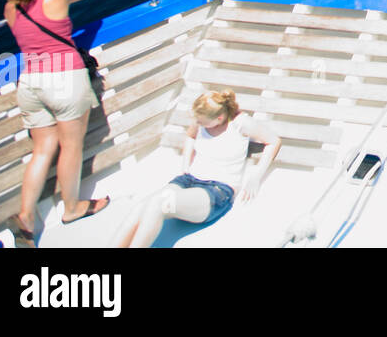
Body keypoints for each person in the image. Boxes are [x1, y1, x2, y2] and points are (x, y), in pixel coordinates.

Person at [0, 0, 107, 246]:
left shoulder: (10, 8)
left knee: (43, 150)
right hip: (64, 80)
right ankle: (72, 208)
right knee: (70, 146)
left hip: (30, 83)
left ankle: (26, 217)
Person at [113, 89, 281, 247]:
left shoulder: (240, 124)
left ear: (220, 118)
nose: (197, 124)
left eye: (201, 122)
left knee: (159, 203)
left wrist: (256, 176)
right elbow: (190, 137)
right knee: (142, 206)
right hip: (189, 180)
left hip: (217, 190)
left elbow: (274, 141)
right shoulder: (201, 120)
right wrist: (185, 166)